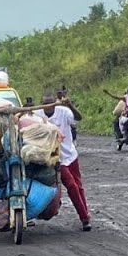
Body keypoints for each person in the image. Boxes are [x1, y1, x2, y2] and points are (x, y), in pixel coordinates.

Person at [41, 90, 92, 231]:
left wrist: (71, 106)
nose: (48, 107)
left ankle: (85, 213)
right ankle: (84, 218)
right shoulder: (37, 115)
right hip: (56, 158)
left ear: (55, 103)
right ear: (41, 105)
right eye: (45, 104)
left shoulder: (64, 112)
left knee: (78, 185)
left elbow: (78, 117)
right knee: (71, 186)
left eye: (50, 103)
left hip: (70, 154)